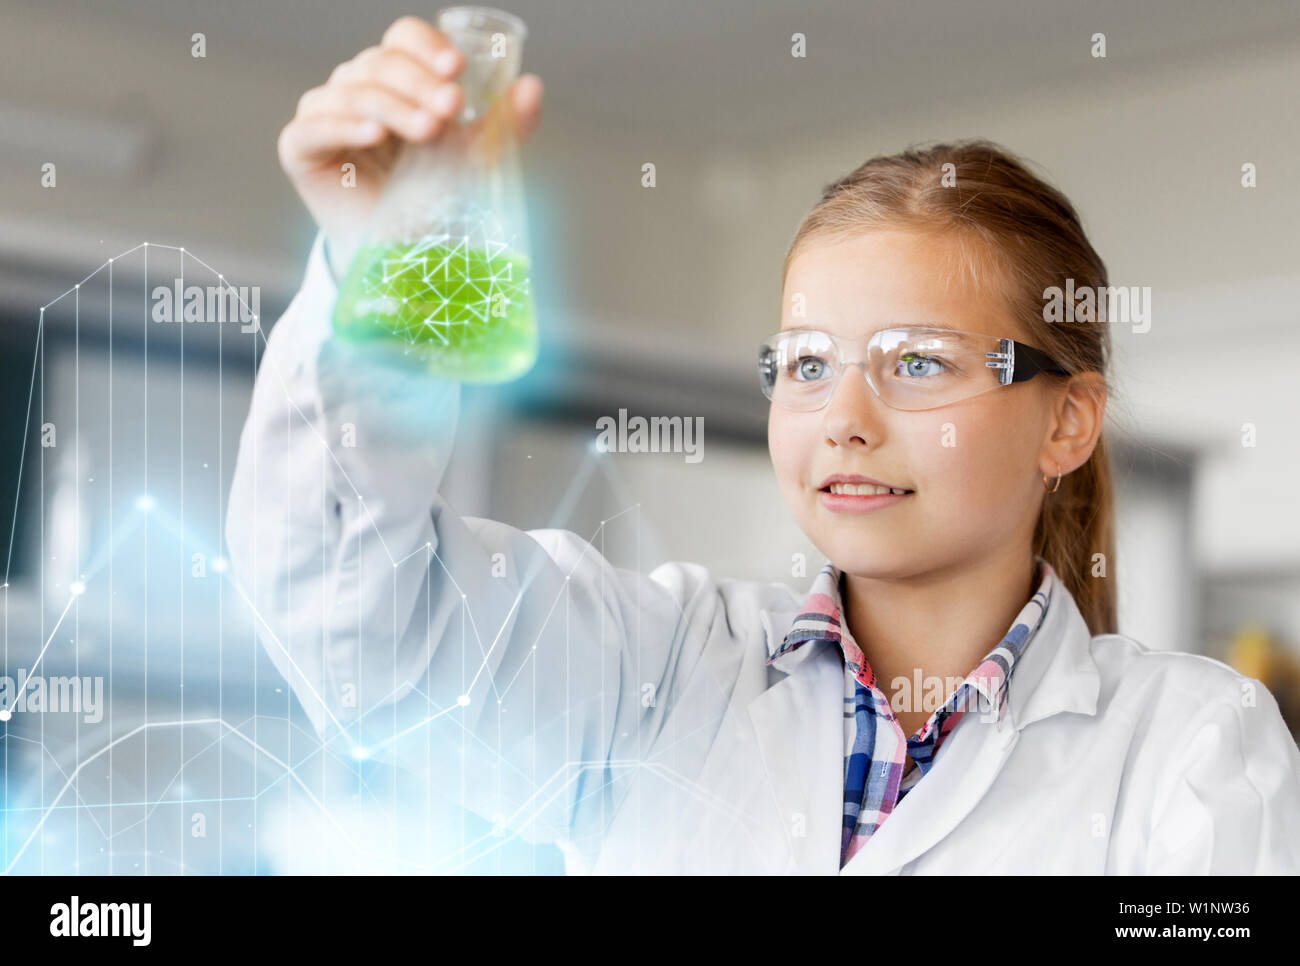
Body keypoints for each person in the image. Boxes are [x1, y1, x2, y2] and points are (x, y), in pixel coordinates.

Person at [225, 15, 1300, 874]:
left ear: (1065, 421)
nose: (844, 416)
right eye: (805, 363)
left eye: (916, 362)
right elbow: (356, 613)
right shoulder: (657, 672)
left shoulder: (1188, 749)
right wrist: (376, 257)